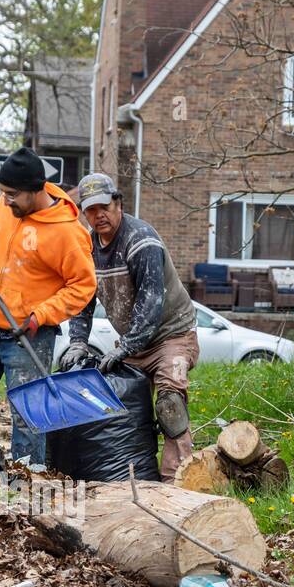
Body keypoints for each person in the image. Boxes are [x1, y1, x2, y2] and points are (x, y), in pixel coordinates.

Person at [0, 145, 97, 464]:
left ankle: (25, 487)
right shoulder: (10, 206)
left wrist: (42, 315)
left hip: (29, 335)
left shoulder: (67, 233)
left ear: (35, 190)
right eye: (3, 193)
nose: (6, 199)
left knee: (28, 417)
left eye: (12, 194)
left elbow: (83, 285)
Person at [62, 172, 199, 481]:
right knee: (118, 407)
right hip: (135, 342)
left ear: (118, 203)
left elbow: (151, 303)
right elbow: (83, 298)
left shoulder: (141, 241)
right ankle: (129, 478)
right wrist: (78, 341)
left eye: (104, 207)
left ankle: (177, 485)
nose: (99, 216)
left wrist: (125, 348)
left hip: (172, 335)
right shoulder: (88, 248)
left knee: (169, 405)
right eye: (91, 210)